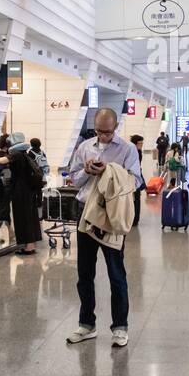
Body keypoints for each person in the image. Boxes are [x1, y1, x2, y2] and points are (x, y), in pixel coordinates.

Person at [65, 107, 142, 348]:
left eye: (108, 132)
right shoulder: (85, 146)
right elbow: (73, 177)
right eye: (99, 131)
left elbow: (136, 181)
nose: (104, 136)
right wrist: (87, 171)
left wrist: (110, 171)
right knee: (84, 273)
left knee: (116, 273)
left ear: (115, 127)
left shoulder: (127, 149)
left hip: (111, 215)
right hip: (86, 212)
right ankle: (86, 324)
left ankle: (120, 327)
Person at [7, 133, 42, 255]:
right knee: (30, 216)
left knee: (23, 217)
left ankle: (28, 247)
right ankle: (31, 245)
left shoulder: (16, 155)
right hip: (30, 189)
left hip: (21, 191)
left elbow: (3, 160)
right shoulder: (26, 155)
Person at [128, 134, 145, 227]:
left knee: (136, 198)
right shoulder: (133, 152)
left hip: (137, 176)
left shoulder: (138, 151)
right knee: (134, 199)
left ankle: (135, 218)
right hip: (132, 177)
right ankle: (133, 218)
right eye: (140, 143)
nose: (141, 145)